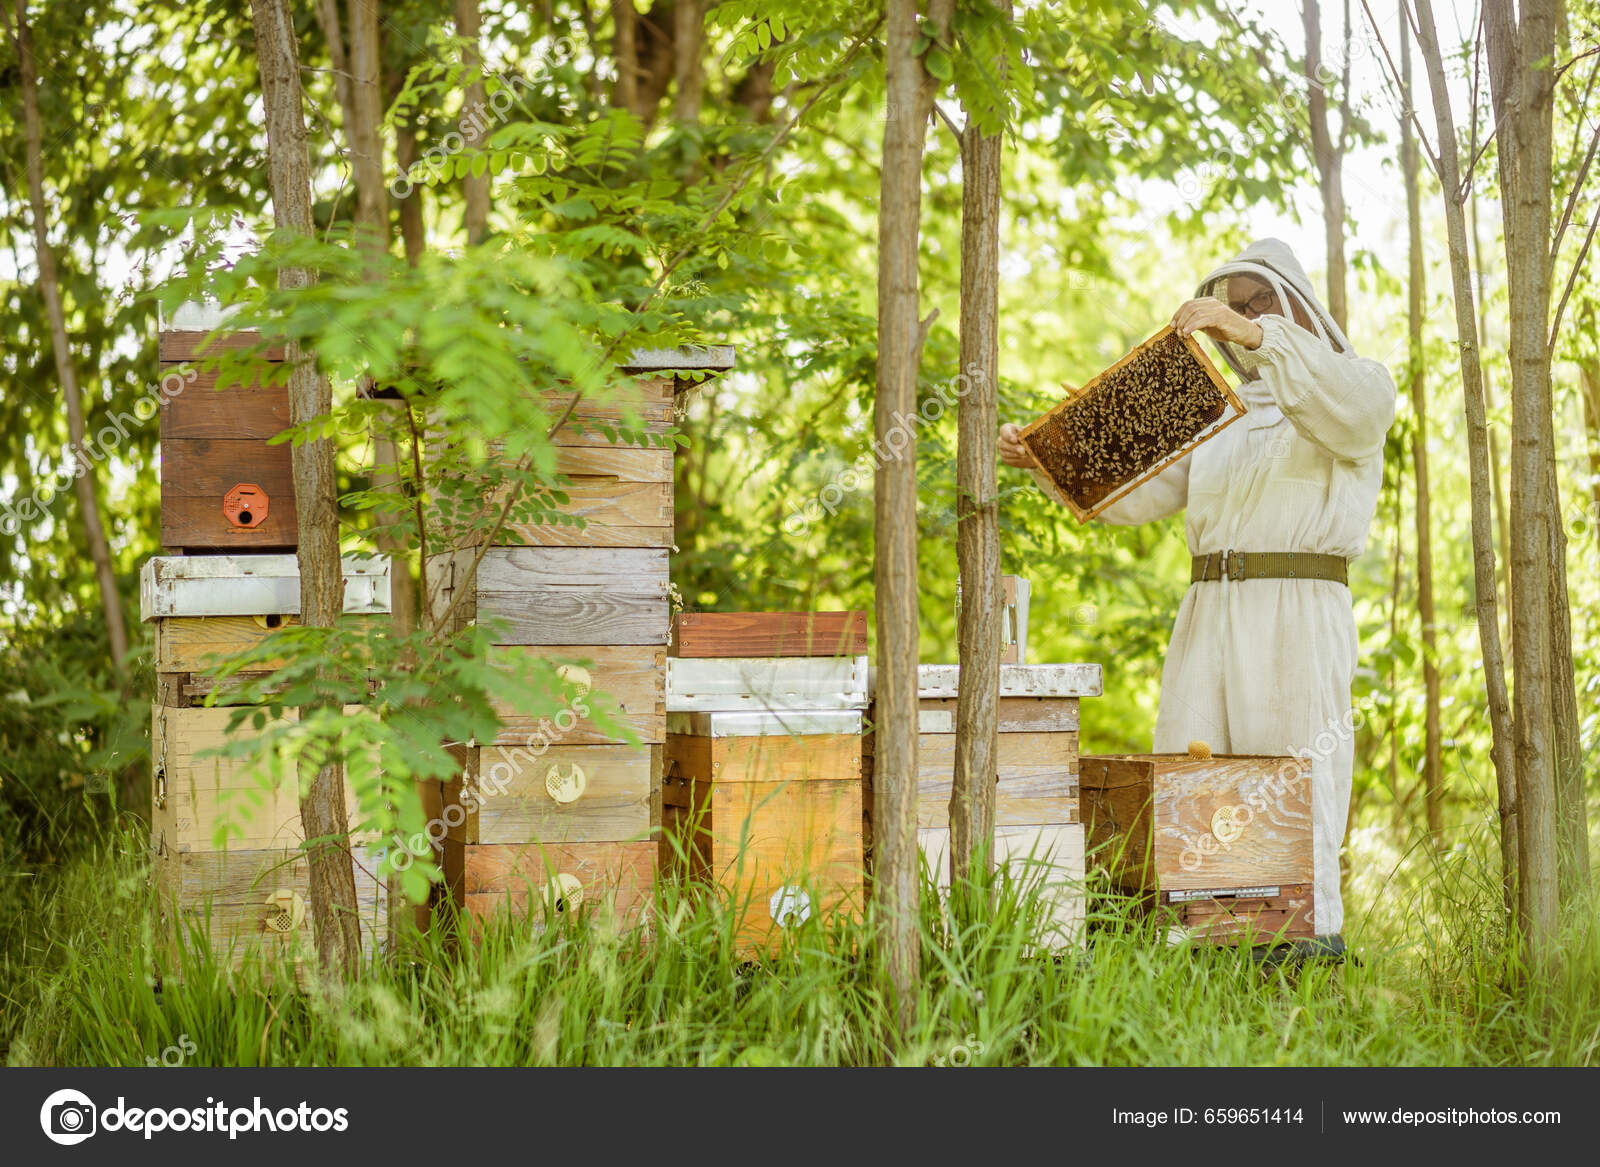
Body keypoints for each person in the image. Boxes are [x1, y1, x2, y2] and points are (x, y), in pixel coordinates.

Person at [999, 238, 1397, 956]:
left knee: (1295, 781)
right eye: (1232, 304)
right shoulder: (1222, 412)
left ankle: (1306, 961)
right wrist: (1051, 460)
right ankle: (1207, 949)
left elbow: (1352, 413)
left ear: (1297, 298)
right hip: (1207, 616)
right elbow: (1131, 492)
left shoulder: (1358, 385)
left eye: (1258, 301)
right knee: (1196, 779)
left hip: (1298, 615)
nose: (1240, 318)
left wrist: (1249, 329)